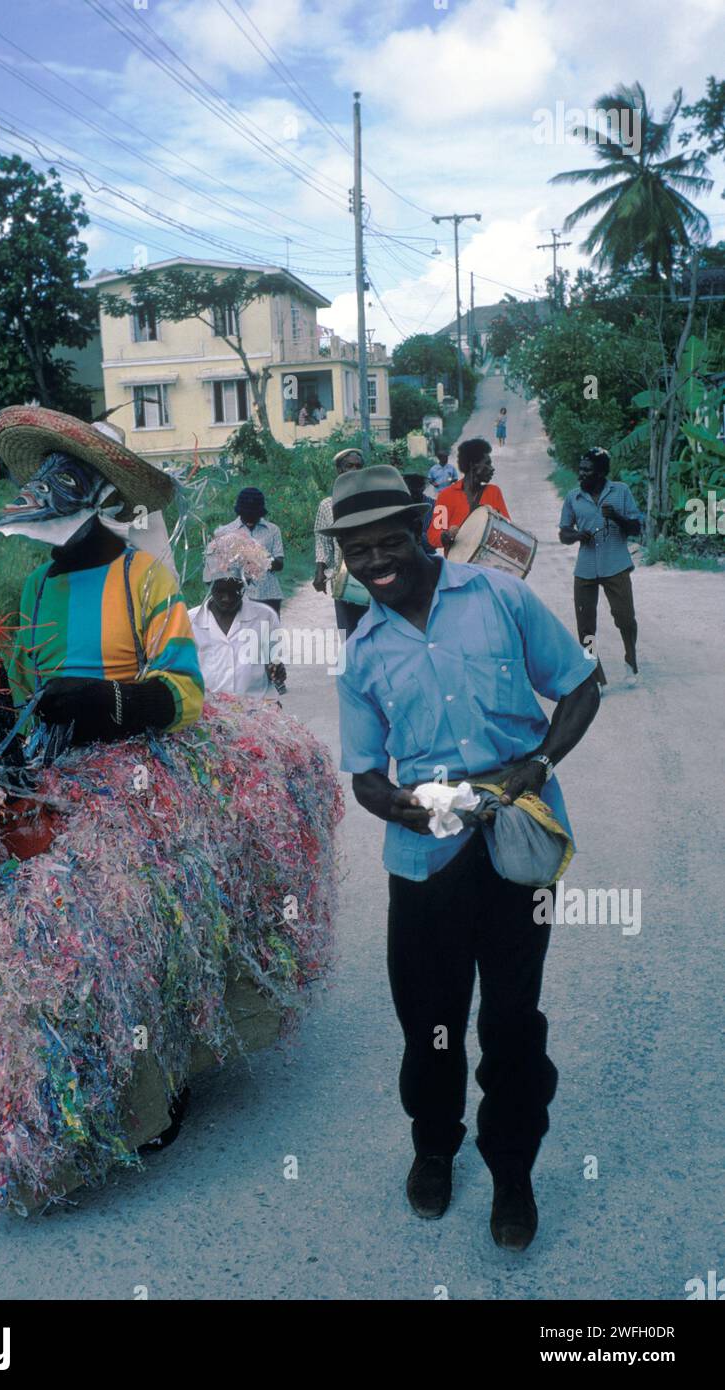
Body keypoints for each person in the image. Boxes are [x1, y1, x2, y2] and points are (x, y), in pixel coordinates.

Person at [321, 463, 599, 1250]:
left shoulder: (499, 598)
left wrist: (536, 766)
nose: (376, 562)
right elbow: (367, 776)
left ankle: (512, 1171)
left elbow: (581, 686)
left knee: (512, 1018)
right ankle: (433, 1148)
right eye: (358, 550)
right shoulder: (364, 654)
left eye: (390, 542)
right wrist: (399, 806)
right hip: (424, 862)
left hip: (516, 844)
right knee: (429, 1020)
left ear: (422, 530)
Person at [0, 405, 204, 745]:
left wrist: (111, 699)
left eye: (68, 482)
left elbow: (187, 692)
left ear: (105, 497)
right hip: (51, 765)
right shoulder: (38, 585)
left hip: (129, 768)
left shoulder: (144, 577)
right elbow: (20, 688)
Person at [559, 447, 643, 687]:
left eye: (587, 470)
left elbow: (637, 528)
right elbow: (563, 533)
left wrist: (616, 517)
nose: (581, 474)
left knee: (625, 619)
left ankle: (631, 660)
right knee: (586, 627)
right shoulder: (573, 497)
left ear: (601, 473)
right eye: (581, 469)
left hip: (616, 565)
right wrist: (576, 535)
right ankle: (595, 673)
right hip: (585, 569)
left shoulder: (621, 492)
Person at [189, 535, 286, 698]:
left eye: (235, 591)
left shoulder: (265, 617)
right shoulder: (190, 621)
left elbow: (274, 662)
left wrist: (276, 670)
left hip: (255, 708)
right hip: (207, 711)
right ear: (209, 586)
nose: (227, 598)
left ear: (245, 585)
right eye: (220, 591)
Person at [313, 447, 369, 636]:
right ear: (339, 470)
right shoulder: (328, 505)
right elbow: (322, 541)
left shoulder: (372, 500)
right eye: (349, 466)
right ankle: (353, 665)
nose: (354, 470)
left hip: (372, 572)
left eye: (358, 466)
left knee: (374, 630)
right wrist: (320, 571)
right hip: (343, 576)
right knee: (348, 633)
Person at [427, 436, 510, 553]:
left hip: (488, 565)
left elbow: (508, 529)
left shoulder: (494, 492)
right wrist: (446, 535)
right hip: (458, 567)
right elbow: (433, 535)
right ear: (472, 465)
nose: (492, 469)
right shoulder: (445, 496)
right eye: (487, 464)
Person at [211, 488, 285, 615]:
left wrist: (259, 556)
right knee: (242, 634)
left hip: (269, 595)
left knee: (270, 634)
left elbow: (279, 564)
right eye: (246, 516)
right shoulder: (225, 532)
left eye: (255, 516)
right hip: (237, 597)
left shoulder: (273, 530)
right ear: (239, 513)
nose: (250, 520)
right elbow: (218, 569)